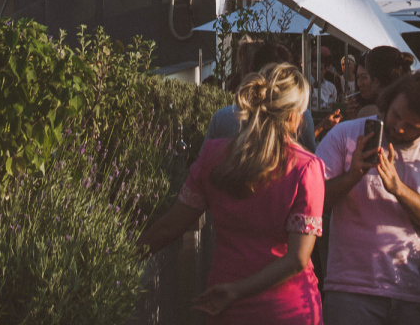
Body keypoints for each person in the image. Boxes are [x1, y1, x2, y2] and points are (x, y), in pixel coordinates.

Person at [140, 63, 326, 323]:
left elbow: (170, 227)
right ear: (296, 116)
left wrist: (117, 258)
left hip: (223, 303)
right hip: (287, 308)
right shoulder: (306, 168)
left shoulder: (213, 156)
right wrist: (235, 292)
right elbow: (296, 259)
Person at [316, 69, 420, 324]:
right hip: (351, 289)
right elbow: (312, 202)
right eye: (396, 115)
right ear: (389, 99)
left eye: (411, 126)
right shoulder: (344, 135)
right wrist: (353, 175)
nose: (398, 127)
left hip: (414, 292)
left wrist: (398, 188)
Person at [209, 42, 317, 150]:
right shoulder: (299, 115)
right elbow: (312, 153)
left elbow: (204, 162)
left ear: (251, 70)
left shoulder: (222, 118)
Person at [347, 46, 411, 120]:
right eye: (357, 77)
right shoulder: (408, 104)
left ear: (376, 80)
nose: (359, 83)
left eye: (364, 77)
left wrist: (357, 121)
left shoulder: (371, 112)